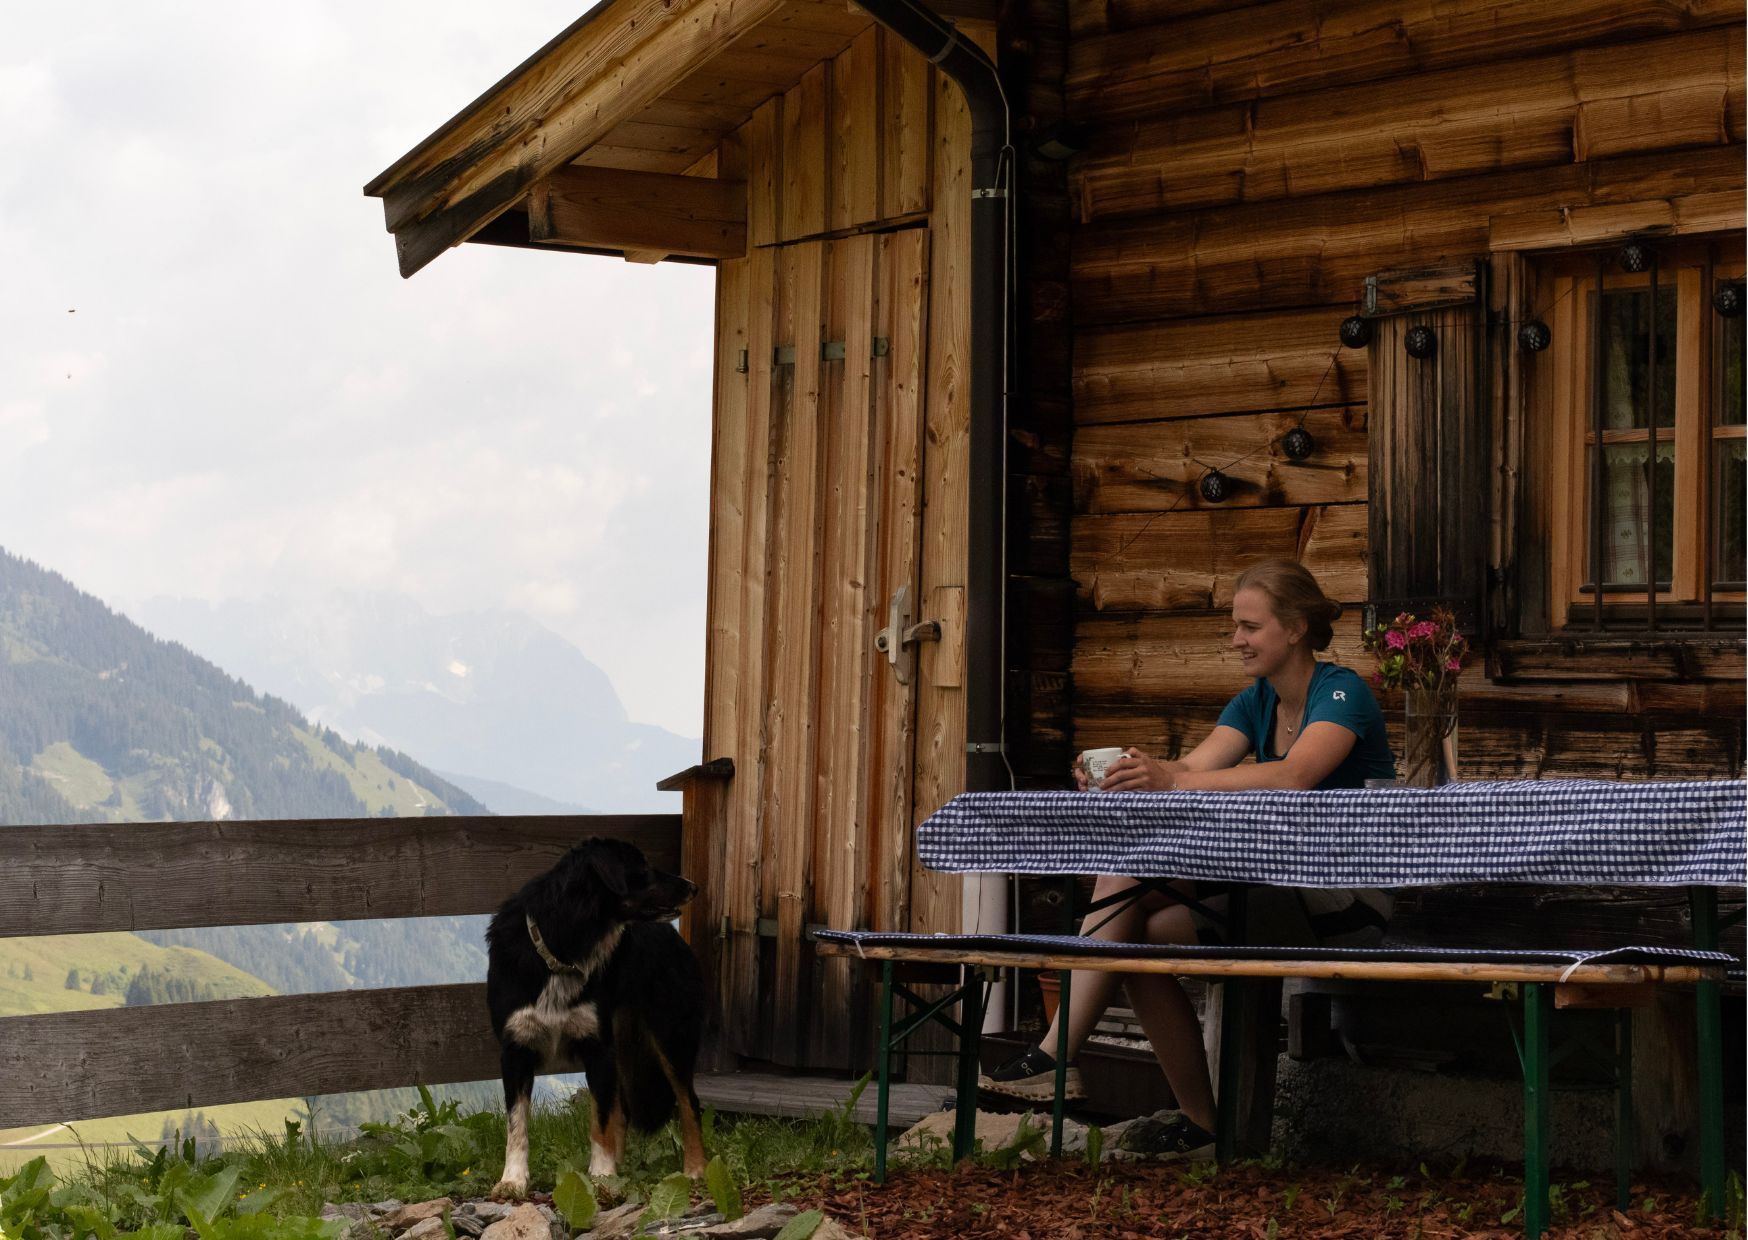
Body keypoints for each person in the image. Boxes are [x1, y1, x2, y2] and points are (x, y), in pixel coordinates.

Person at [978, 559, 1396, 1158]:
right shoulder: (1255, 703)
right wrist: (1133, 772)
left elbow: (1294, 777)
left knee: (1128, 874)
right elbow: (1191, 770)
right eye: (1235, 626)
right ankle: (1203, 1123)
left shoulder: (1341, 691)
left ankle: (1055, 1053)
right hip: (1272, 889)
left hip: (1343, 900)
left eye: (1250, 627)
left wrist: (1169, 782)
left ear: (1296, 627)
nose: (1236, 640)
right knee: (1141, 935)